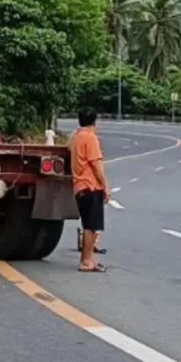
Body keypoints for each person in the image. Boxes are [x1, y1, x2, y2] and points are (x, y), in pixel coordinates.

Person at [69, 106, 109, 273]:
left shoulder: (75, 137)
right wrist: (106, 186)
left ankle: (89, 259)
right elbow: (96, 165)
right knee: (91, 226)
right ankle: (86, 261)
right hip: (91, 185)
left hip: (79, 186)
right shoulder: (90, 138)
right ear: (94, 121)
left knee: (88, 224)